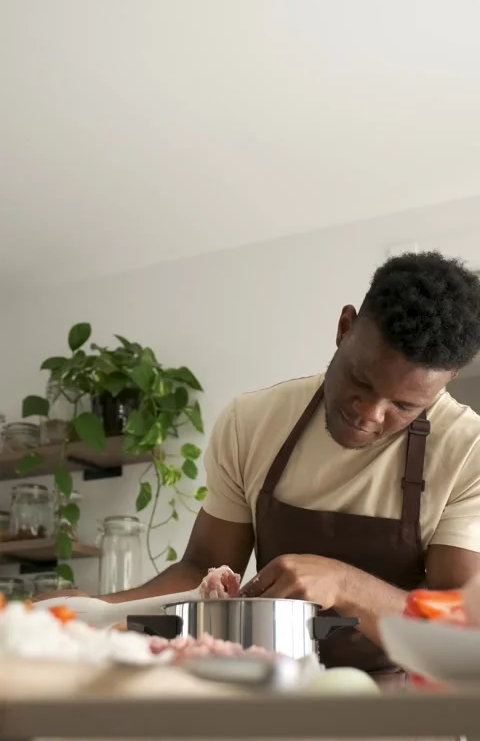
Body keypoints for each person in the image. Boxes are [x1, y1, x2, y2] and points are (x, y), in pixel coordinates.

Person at [45, 251, 480, 678]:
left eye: (404, 405)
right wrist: (92, 610)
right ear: (344, 328)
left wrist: (345, 585)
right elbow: (202, 570)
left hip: (396, 708)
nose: (369, 413)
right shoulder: (252, 422)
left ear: (447, 381)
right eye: (360, 380)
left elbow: (455, 633)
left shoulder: (466, 450)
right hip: (265, 689)